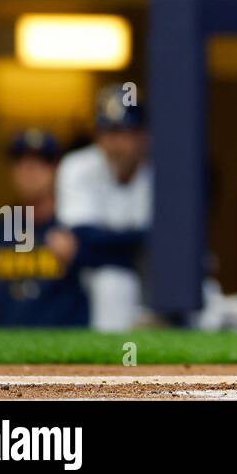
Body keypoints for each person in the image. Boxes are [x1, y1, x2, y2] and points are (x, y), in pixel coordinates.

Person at [53, 85, 153, 332]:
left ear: (142, 136)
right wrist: (136, 245)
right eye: (107, 132)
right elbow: (81, 235)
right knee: (113, 280)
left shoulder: (163, 169)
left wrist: (84, 250)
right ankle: (112, 367)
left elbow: (164, 243)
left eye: (122, 132)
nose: (114, 143)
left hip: (159, 276)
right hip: (93, 280)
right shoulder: (77, 166)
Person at [0, 130, 88, 327]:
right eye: (21, 161)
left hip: (64, 354)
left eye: (42, 161)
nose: (30, 170)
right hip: (1, 353)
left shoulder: (75, 228)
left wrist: (79, 253)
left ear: (57, 169)